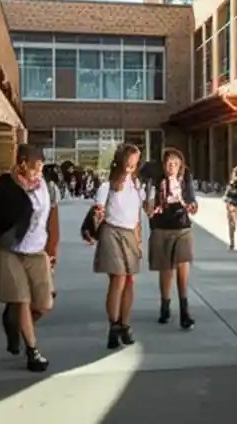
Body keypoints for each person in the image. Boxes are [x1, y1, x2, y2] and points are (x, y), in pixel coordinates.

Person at [0, 144, 59, 372]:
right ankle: (32, 351)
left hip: (36, 252)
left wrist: (53, 252)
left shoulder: (47, 187)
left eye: (42, 168)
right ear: (22, 164)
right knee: (22, 299)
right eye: (35, 168)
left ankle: (14, 324)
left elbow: (52, 221)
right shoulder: (6, 186)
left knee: (44, 304)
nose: (39, 173)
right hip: (11, 251)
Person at [90, 143, 145, 350]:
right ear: (121, 160)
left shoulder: (137, 185)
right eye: (129, 161)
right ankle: (113, 325)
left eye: (135, 161)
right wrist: (97, 216)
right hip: (111, 232)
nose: (132, 165)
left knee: (129, 281)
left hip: (130, 234)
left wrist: (139, 241)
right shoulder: (108, 185)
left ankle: (125, 324)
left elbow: (138, 216)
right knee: (118, 278)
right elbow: (98, 211)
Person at [149, 148, 198, 329]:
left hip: (182, 227)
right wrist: (153, 208)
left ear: (181, 165)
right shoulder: (156, 181)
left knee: (183, 265)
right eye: (169, 163)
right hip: (162, 227)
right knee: (166, 269)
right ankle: (165, 305)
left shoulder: (185, 179)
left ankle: (184, 310)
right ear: (164, 165)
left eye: (176, 164)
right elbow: (149, 202)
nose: (172, 167)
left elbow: (192, 199)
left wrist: (191, 205)